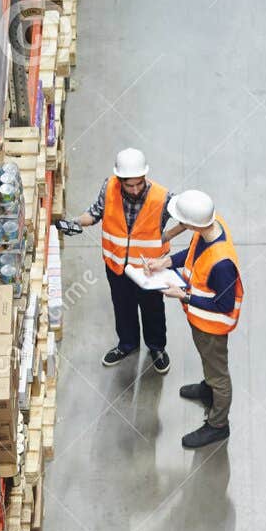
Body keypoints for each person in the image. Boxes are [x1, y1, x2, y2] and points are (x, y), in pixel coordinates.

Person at [56, 148, 183, 373]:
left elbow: (188, 216)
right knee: (123, 307)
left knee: (153, 310)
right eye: (129, 185)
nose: (135, 190)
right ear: (120, 179)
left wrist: (167, 236)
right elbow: (94, 213)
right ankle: (127, 344)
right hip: (117, 266)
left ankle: (157, 348)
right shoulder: (109, 188)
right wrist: (76, 222)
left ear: (145, 176)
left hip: (149, 270)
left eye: (139, 184)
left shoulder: (162, 197)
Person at [144, 190, 242, 449]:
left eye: (182, 221)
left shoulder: (222, 264)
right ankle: (208, 390)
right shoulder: (211, 225)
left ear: (194, 223)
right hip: (200, 322)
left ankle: (218, 425)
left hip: (212, 327)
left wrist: (184, 296)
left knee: (219, 374)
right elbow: (193, 253)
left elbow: (224, 305)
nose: (180, 225)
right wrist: (166, 262)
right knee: (209, 363)